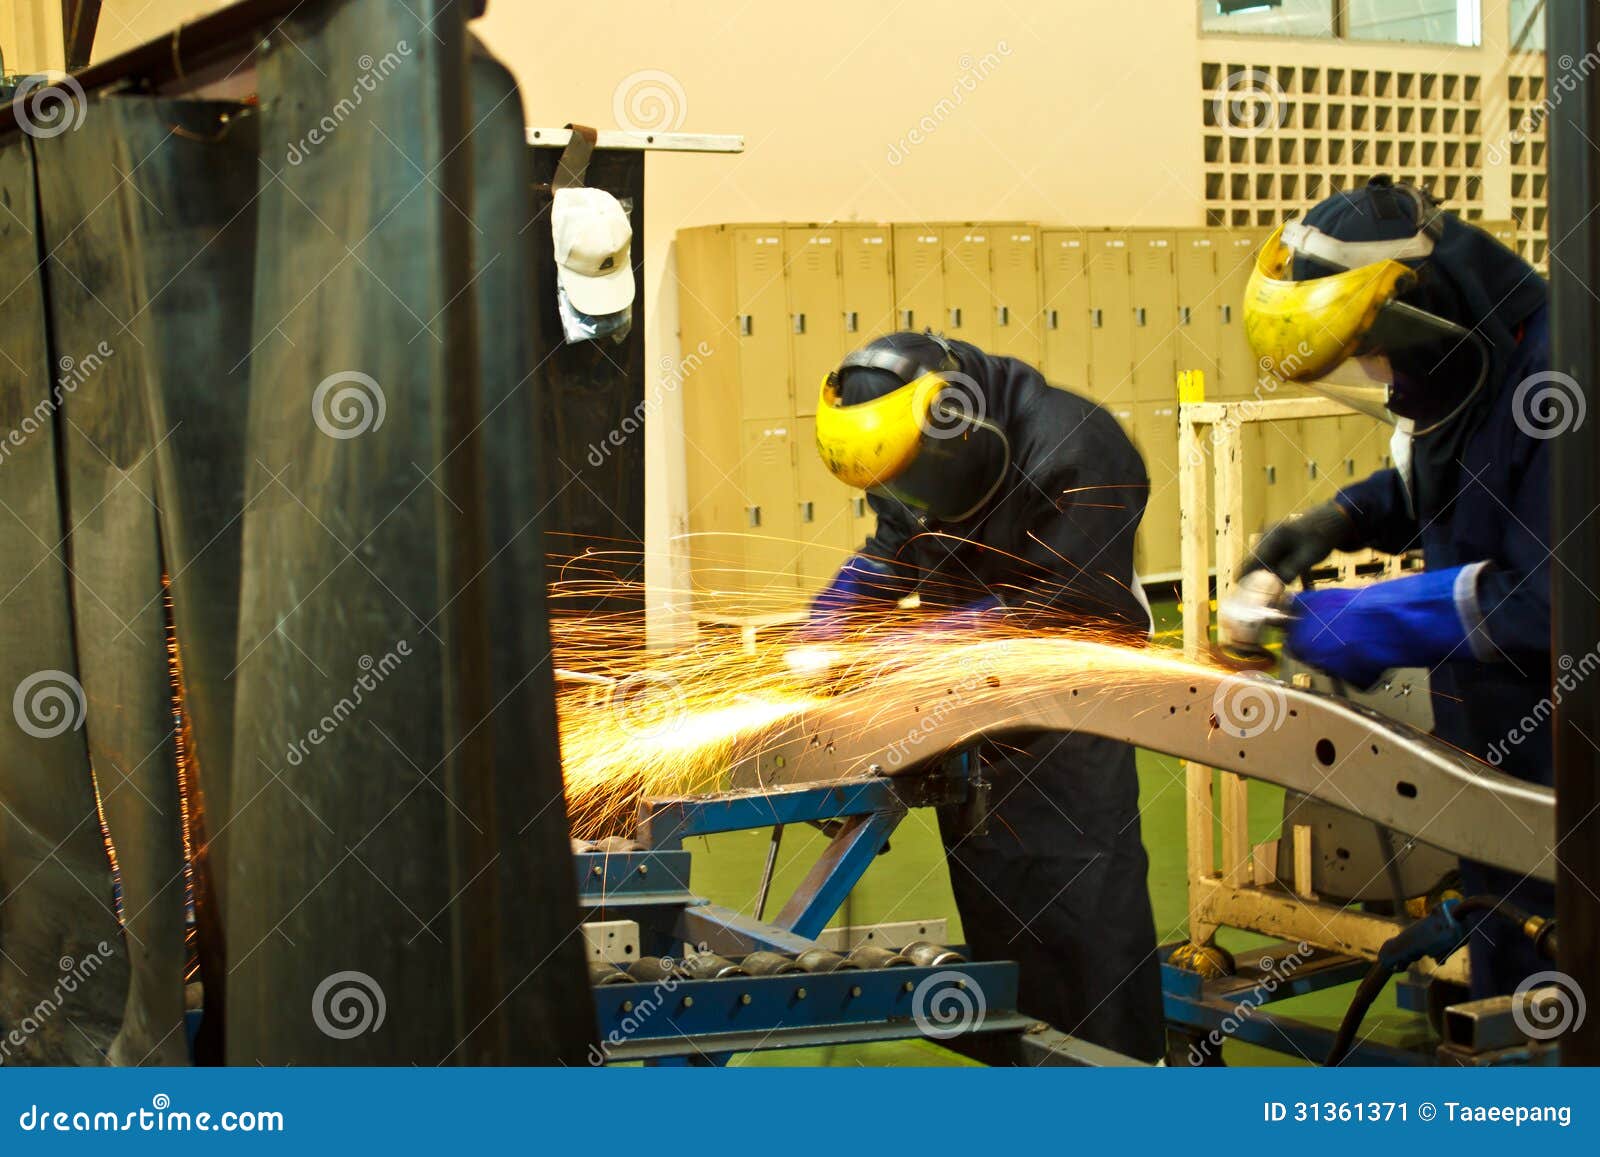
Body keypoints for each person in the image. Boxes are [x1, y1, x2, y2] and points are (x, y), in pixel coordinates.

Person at [806, 330, 1164, 1061]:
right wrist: (837, 616)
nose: (903, 495)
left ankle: (1128, 1075)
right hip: (967, 724)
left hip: (1069, 720)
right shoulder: (917, 458)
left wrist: (924, 644)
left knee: (1086, 910)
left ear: (954, 426)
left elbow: (1067, 608)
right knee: (1003, 912)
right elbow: (893, 548)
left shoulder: (1079, 448)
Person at [1236, 175, 1551, 997]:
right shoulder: (1463, 370)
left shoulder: (1561, 377)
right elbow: (1437, 490)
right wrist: (1331, 523)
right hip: (1498, 755)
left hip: (1571, 752)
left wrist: (1371, 616)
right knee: (1512, 960)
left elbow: (1551, 600)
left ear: (1417, 309)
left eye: (1369, 349)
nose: (1376, 374)